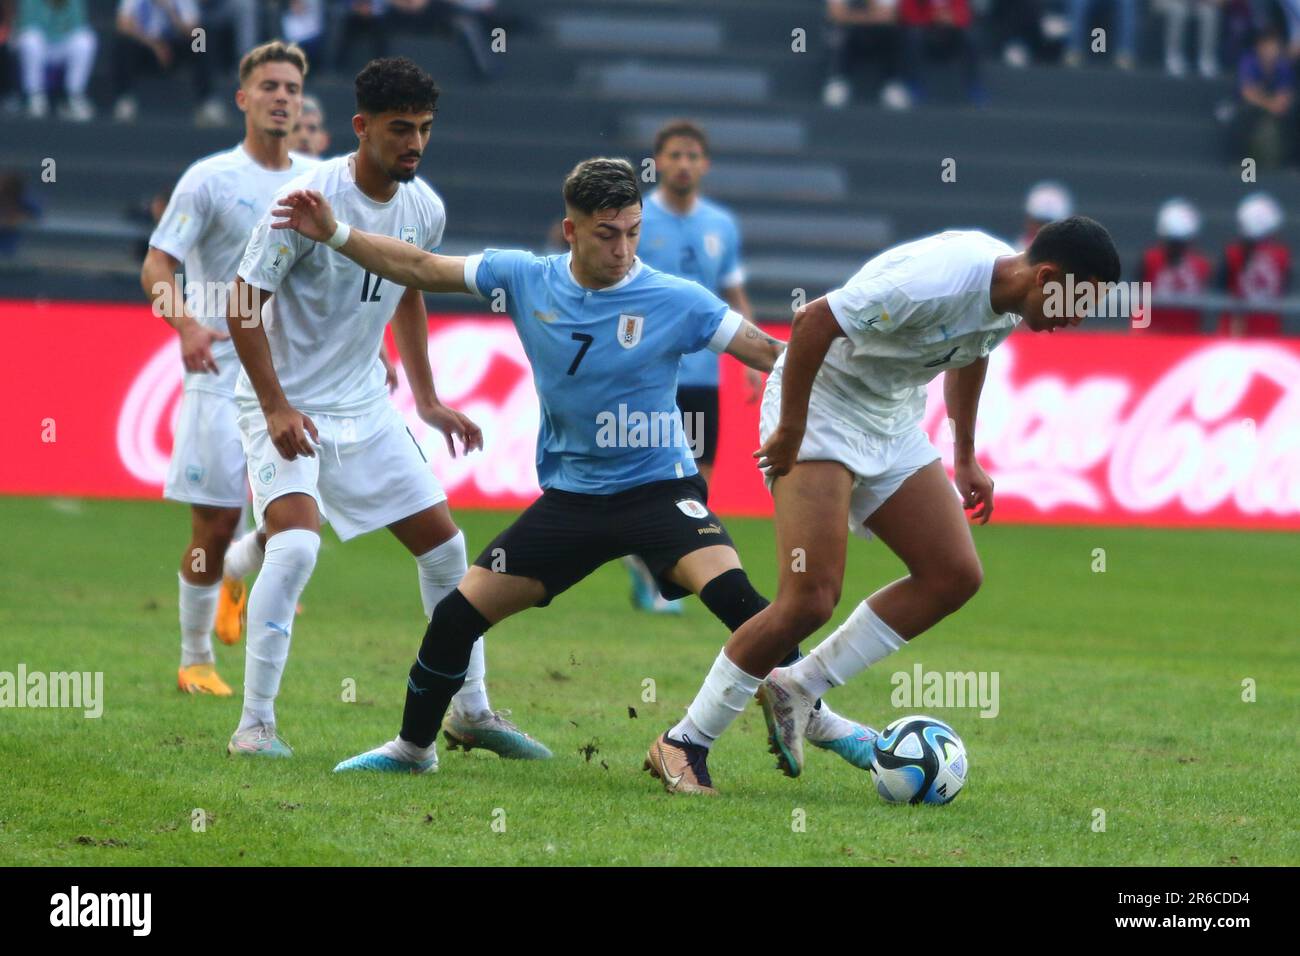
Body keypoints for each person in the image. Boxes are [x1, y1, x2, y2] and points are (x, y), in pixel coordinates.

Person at [269, 157, 877, 782]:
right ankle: (413, 750)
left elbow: (775, 354)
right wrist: (337, 233)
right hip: (573, 502)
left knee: (745, 605)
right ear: (571, 231)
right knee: (456, 618)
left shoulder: (677, 299)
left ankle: (827, 723)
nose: (623, 250)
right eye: (607, 234)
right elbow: (421, 268)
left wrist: (867, 385)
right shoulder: (525, 279)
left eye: (633, 232)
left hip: (660, 492)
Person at [648, 218, 1122, 794]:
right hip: (820, 405)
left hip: (889, 418)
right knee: (809, 599)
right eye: (1079, 301)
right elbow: (812, 321)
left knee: (953, 575)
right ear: (1046, 275)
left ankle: (797, 686)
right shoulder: (935, 280)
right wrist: (793, 425)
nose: (1079, 318)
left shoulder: (1010, 299)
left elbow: (972, 354)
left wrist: (965, 455)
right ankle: (684, 743)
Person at [224, 56, 548, 760]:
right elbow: (243, 303)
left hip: (364, 406)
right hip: (284, 402)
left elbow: (408, 286)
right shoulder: (305, 201)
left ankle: (472, 712)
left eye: (426, 129)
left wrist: (427, 399)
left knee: (449, 549)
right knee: (298, 546)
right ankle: (255, 725)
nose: (416, 144)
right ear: (362, 128)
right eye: (401, 129)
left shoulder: (423, 207)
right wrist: (275, 405)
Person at [142, 41, 318, 697]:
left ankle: (239, 571)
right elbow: (157, 264)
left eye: (291, 88)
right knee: (212, 526)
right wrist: (184, 321)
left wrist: (370, 350)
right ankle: (194, 659)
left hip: (296, 377)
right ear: (243, 99)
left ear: (302, 101)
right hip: (219, 373)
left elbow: (340, 274)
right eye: (269, 86)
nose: (281, 97)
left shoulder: (320, 180)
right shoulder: (210, 178)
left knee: (298, 520)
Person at [623, 119, 758, 615]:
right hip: (647, 373)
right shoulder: (636, 219)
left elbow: (733, 289)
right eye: (674, 155)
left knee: (697, 481)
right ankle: (654, 572)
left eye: (692, 156)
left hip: (701, 376)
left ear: (705, 164)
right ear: (657, 161)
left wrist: (748, 356)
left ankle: (657, 567)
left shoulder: (721, 224)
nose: (683, 164)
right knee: (646, 474)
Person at [1132, 197, 1212, 334]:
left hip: (1187, 337)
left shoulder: (1202, 265)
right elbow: (1137, 299)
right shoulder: (1150, 259)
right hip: (1153, 335)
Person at [1220, 192, 1289, 336]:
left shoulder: (1232, 253)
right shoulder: (1282, 255)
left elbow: (1221, 289)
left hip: (1234, 331)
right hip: (1268, 332)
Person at [14, 0, 97, 120]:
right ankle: (34, 96)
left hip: (63, 45)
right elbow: (26, 25)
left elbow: (78, 25)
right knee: (29, 39)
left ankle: (74, 95)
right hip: (42, 45)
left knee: (85, 40)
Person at [1016, 179, 1072, 250]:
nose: (1044, 231)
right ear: (1028, 221)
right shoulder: (1008, 253)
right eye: (1039, 223)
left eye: (1053, 226)